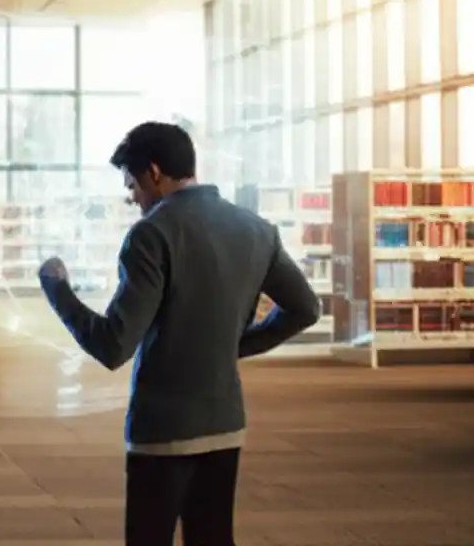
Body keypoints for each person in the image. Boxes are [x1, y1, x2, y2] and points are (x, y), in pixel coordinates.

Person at [38, 121, 319, 546]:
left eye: (132, 186)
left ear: (154, 172)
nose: (134, 199)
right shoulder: (256, 229)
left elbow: (113, 344)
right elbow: (305, 309)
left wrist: (57, 289)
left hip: (164, 429)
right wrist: (234, 348)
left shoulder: (152, 234)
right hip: (225, 422)